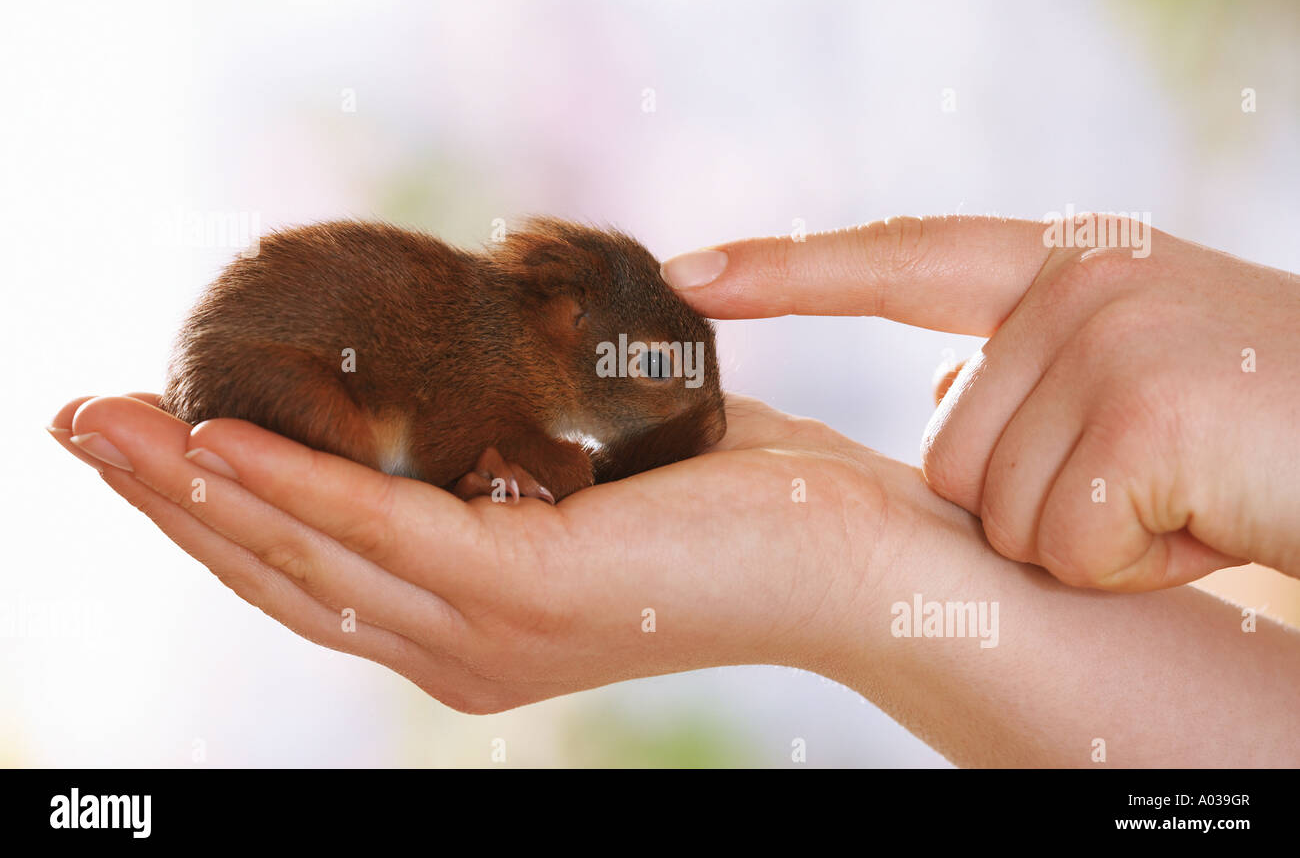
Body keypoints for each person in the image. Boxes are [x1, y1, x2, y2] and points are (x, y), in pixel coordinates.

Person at [50, 215, 1300, 767]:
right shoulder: (496, 359)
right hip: (274, 367)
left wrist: (859, 562)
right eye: (652, 372)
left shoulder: (528, 358)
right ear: (566, 317)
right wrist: (861, 565)